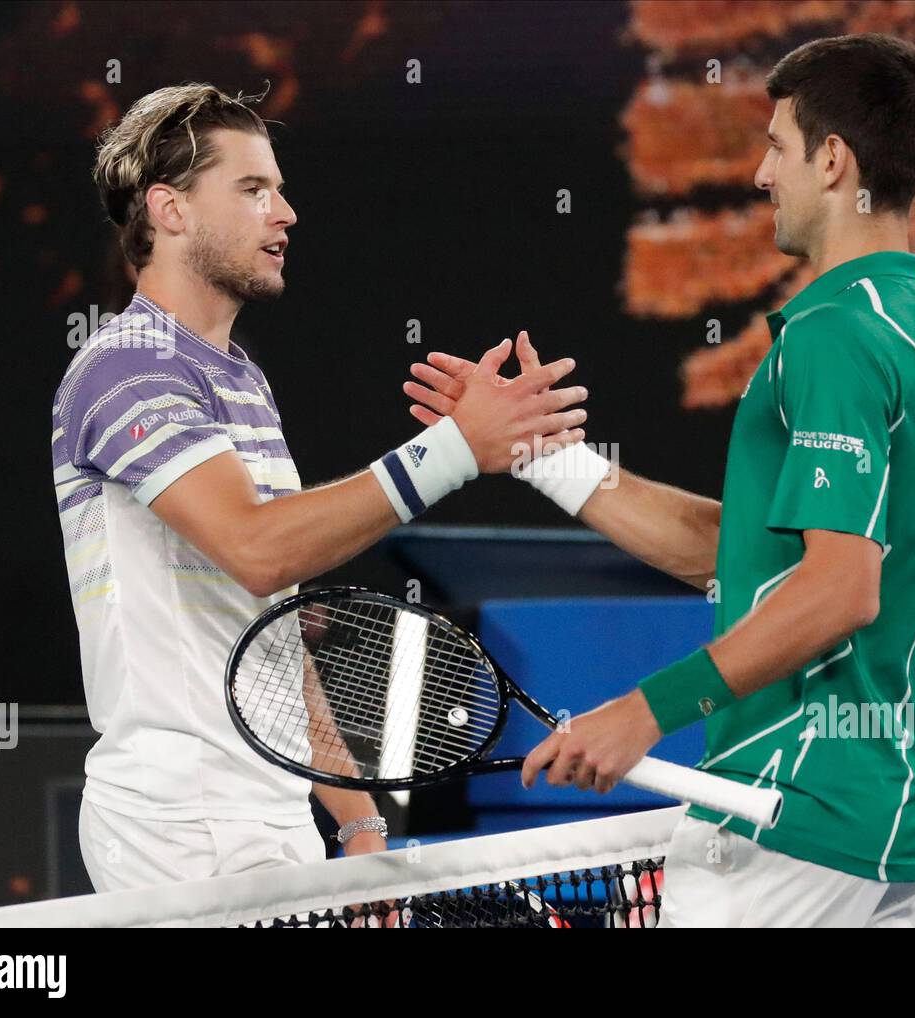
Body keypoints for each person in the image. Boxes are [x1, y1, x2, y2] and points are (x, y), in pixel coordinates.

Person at [407, 34, 915, 927]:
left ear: (833, 162)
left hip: (786, 813)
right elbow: (741, 555)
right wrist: (543, 457)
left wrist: (645, 709)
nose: (760, 174)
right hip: (893, 819)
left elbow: (838, 592)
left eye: (778, 147)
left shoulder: (832, 337)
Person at [52, 84, 586, 892]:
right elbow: (258, 551)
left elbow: (273, 629)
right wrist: (452, 451)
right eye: (253, 189)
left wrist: (359, 821)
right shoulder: (128, 367)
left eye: (281, 188)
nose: (286, 213)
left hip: (272, 813)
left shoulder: (240, 381)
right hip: (177, 825)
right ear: (170, 210)